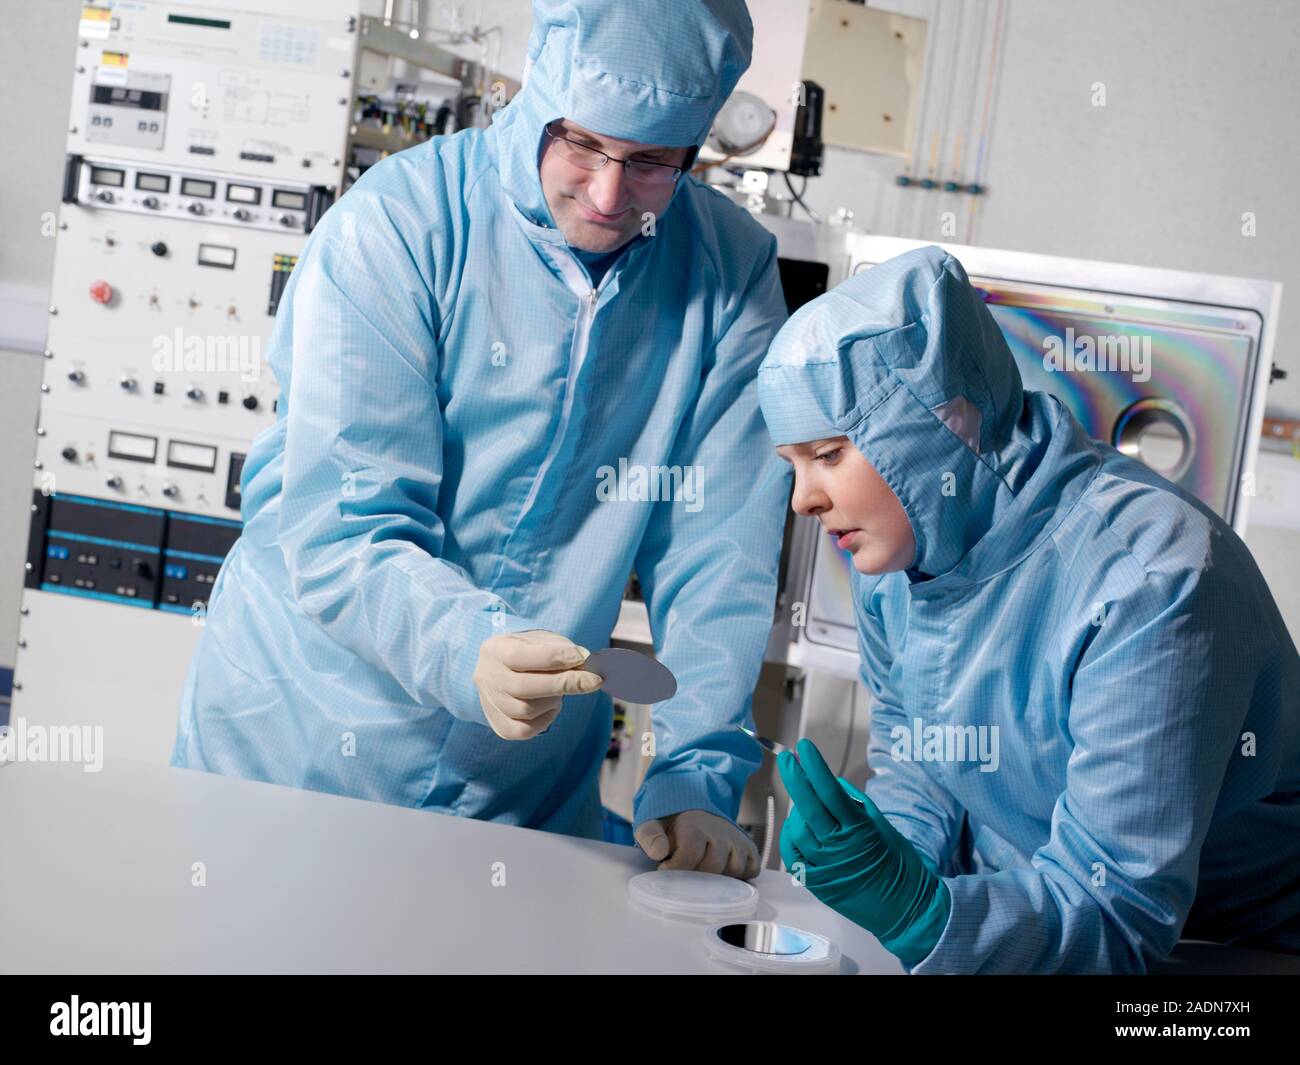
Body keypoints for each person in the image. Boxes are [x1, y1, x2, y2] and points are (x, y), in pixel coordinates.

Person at [171, 0, 790, 879]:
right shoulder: (399, 225)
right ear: (538, 91)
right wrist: (469, 649)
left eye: (653, 161)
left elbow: (720, 547)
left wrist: (695, 771)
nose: (608, 195)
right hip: (300, 749)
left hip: (518, 791)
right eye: (581, 142)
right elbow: (345, 528)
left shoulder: (729, 274)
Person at [756, 244, 1300, 972]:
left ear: (933, 427)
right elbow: (923, 762)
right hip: (1030, 924)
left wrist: (923, 913)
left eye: (828, 454)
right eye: (793, 464)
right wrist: (894, 856)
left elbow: (1117, 911)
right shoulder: (896, 556)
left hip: (1217, 949)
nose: (804, 499)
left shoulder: (1150, 582)